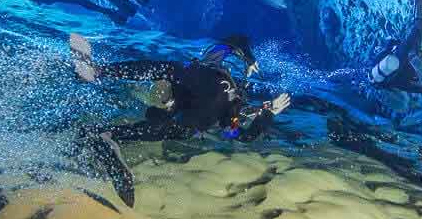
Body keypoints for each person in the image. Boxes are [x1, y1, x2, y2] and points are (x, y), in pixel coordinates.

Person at [69, 33, 291, 207]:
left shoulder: (212, 63)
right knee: (167, 123)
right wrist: (268, 114)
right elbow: (242, 136)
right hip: (192, 123)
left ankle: (98, 72)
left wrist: (249, 59)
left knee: (168, 73)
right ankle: (109, 135)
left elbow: (236, 40)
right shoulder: (231, 108)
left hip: (199, 96)